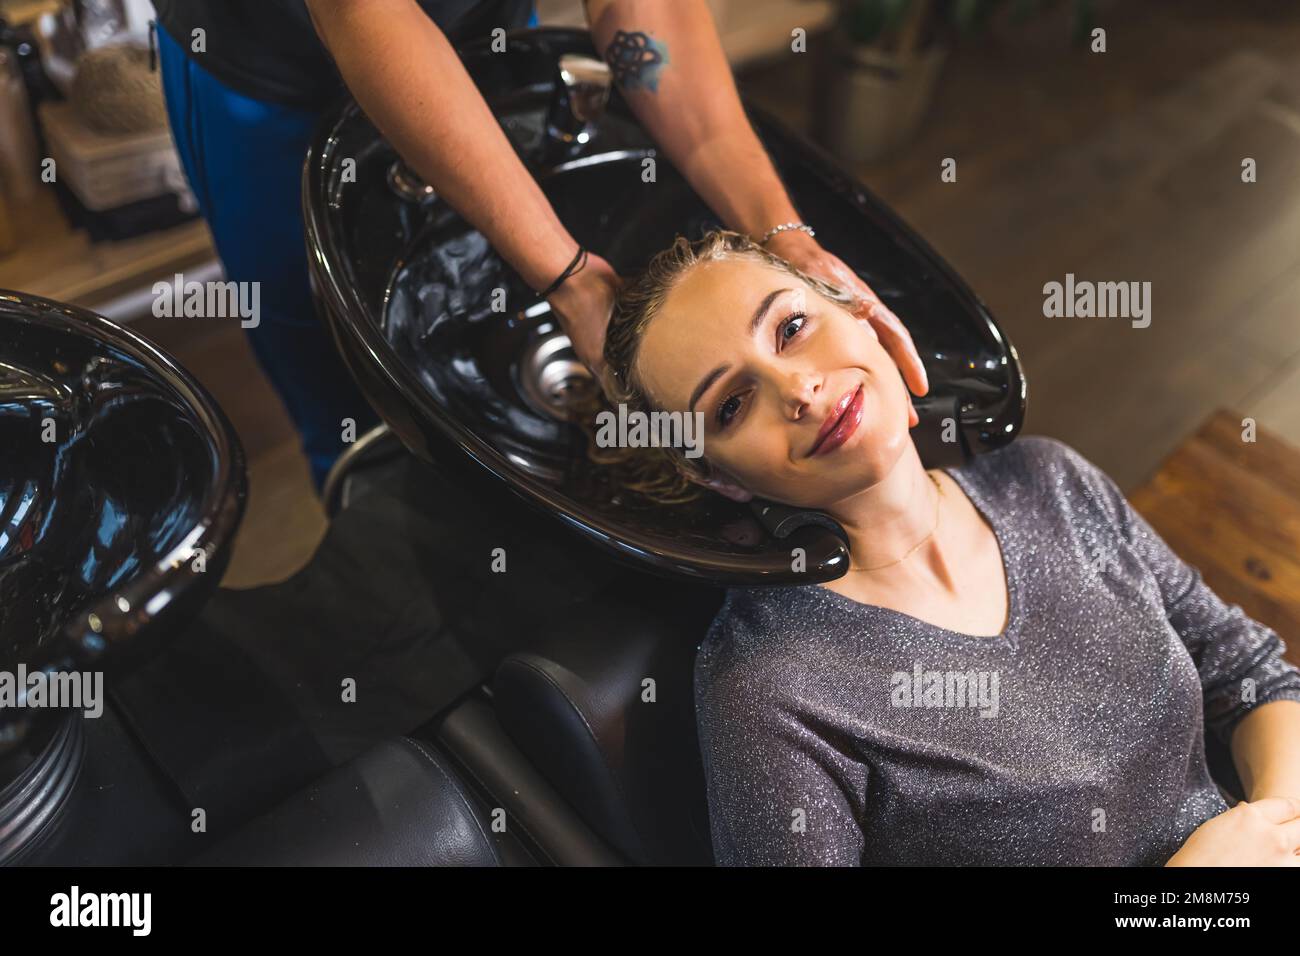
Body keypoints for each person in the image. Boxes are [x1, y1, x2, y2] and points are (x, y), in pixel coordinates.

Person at [594, 228, 1300, 866]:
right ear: (720, 475)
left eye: (792, 327)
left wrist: (1272, 820)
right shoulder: (771, 689)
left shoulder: (1047, 478)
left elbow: (1252, 677)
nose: (797, 388)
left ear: (860, 311)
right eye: (731, 404)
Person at [148, 0, 927, 488]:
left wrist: (781, 234)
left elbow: (639, 11)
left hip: (476, 26)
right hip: (264, 71)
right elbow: (363, 13)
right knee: (339, 374)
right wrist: (569, 278)